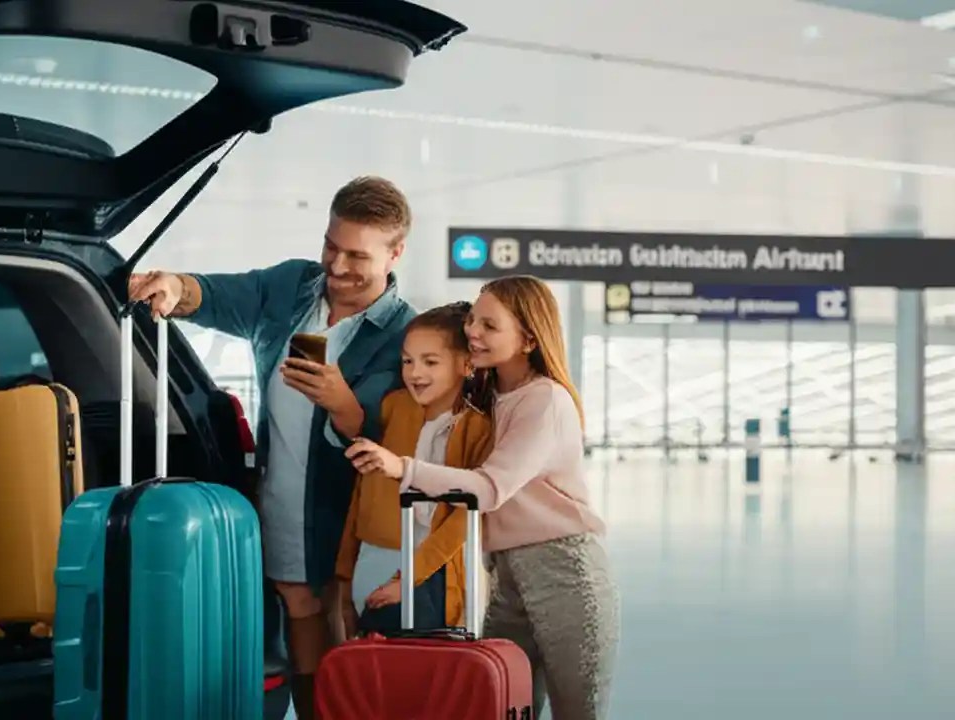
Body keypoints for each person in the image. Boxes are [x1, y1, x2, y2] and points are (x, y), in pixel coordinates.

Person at [126, 176, 417, 718]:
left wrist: (341, 402)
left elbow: (391, 438)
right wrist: (174, 285)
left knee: (339, 622)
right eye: (331, 245)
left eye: (357, 255)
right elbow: (213, 295)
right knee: (301, 610)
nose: (336, 266)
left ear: (396, 252)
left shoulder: (407, 335)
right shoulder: (291, 287)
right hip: (283, 496)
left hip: (352, 510)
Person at [345, 275, 620, 720]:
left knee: (577, 713)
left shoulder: (544, 401)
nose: (473, 331)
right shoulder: (491, 398)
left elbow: (489, 489)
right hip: (506, 574)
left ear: (528, 338)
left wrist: (401, 468)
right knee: (502, 704)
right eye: (473, 319)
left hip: (565, 572)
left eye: (490, 326)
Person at [332, 301, 493, 637]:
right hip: (374, 558)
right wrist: (344, 578)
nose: (414, 373)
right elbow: (362, 494)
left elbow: (467, 517)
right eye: (408, 360)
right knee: (373, 669)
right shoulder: (392, 408)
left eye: (430, 362)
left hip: (433, 569)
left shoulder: (478, 427)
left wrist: (409, 578)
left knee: (425, 669)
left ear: (467, 364)